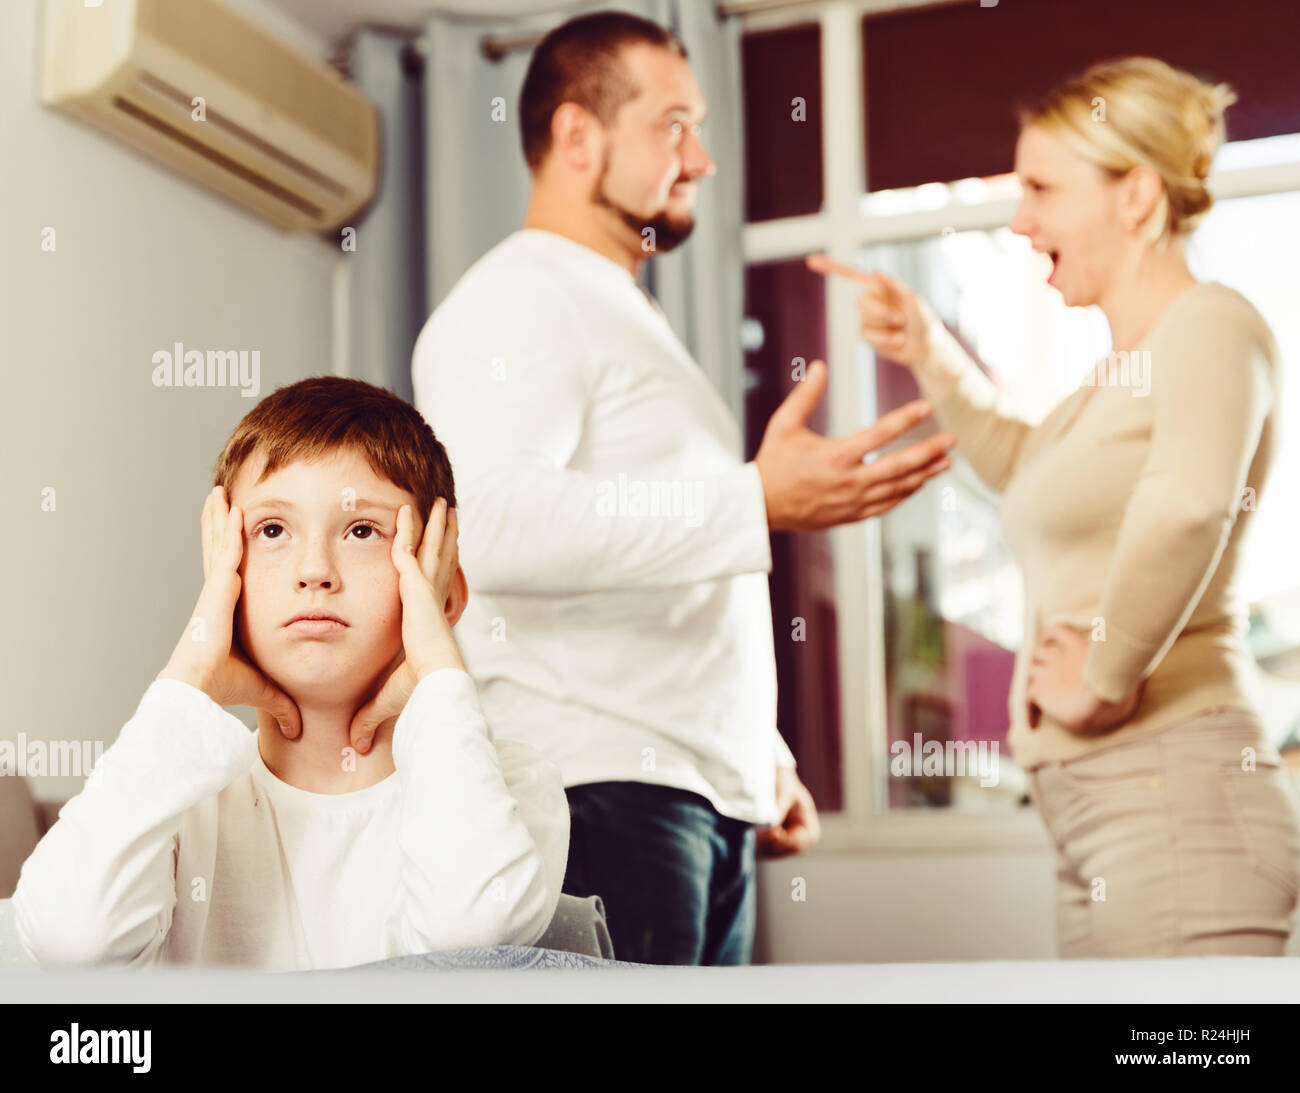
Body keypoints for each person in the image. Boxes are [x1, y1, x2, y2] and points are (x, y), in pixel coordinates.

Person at [412, 11, 955, 966]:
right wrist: (754, 502)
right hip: (603, 794)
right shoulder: (517, 298)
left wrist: (757, 757)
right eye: (672, 124)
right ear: (578, 137)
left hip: (694, 797)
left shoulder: (621, 312)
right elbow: (487, 524)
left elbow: (676, 577)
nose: (701, 156)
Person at [815, 56, 1300, 957]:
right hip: (1104, 818)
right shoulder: (1111, 384)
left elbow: (1193, 504)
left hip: (1177, 799)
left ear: (1137, 197)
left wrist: (1107, 676)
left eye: (1041, 186)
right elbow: (1020, 460)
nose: (1019, 216)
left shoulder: (1211, 324)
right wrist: (927, 342)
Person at [13, 376, 568, 969]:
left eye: (362, 531)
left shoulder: (509, 786)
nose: (314, 570)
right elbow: (71, 942)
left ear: (444, 594)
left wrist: (437, 673)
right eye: (272, 531)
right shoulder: (176, 805)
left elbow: (469, 946)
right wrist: (189, 678)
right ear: (226, 579)